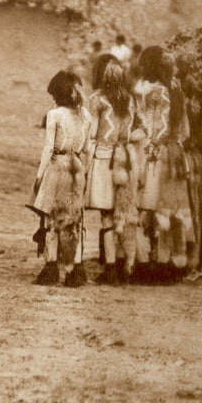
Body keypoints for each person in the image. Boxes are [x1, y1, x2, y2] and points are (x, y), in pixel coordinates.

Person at [28, 70, 92, 287]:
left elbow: (48, 148)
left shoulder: (54, 115)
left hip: (58, 166)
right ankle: (75, 269)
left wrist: (39, 176)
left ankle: (51, 267)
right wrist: (85, 172)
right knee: (75, 218)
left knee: (52, 219)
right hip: (77, 166)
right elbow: (87, 148)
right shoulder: (86, 115)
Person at [134, 47, 193, 282]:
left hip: (154, 152)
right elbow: (184, 131)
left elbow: (152, 126)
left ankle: (152, 265)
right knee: (171, 209)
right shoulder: (176, 89)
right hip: (175, 153)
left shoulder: (153, 91)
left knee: (151, 207)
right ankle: (171, 264)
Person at [86, 55, 142, 284]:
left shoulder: (97, 99)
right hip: (127, 159)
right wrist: (126, 138)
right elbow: (140, 130)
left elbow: (91, 133)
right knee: (123, 212)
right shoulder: (130, 99)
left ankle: (110, 268)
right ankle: (123, 265)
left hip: (104, 159)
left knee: (107, 215)